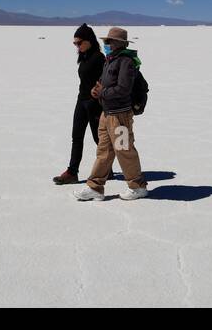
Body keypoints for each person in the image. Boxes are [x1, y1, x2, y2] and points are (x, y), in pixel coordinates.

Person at [74, 26, 148, 201]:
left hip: (120, 116)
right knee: (104, 151)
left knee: (124, 150)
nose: (106, 44)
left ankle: (138, 186)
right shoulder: (110, 59)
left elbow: (123, 89)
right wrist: (96, 88)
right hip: (106, 114)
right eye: (105, 41)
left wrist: (102, 94)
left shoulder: (126, 62)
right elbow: (103, 82)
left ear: (118, 43)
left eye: (109, 41)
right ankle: (95, 187)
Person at [53, 24, 104, 185]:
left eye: (79, 42)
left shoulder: (98, 57)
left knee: (99, 139)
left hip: (95, 103)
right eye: (75, 43)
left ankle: (105, 169)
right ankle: (72, 172)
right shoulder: (85, 56)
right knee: (77, 137)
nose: (77, 46)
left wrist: (97, 89)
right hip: (81, 101)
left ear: (89, 41)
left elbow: (105, 79)